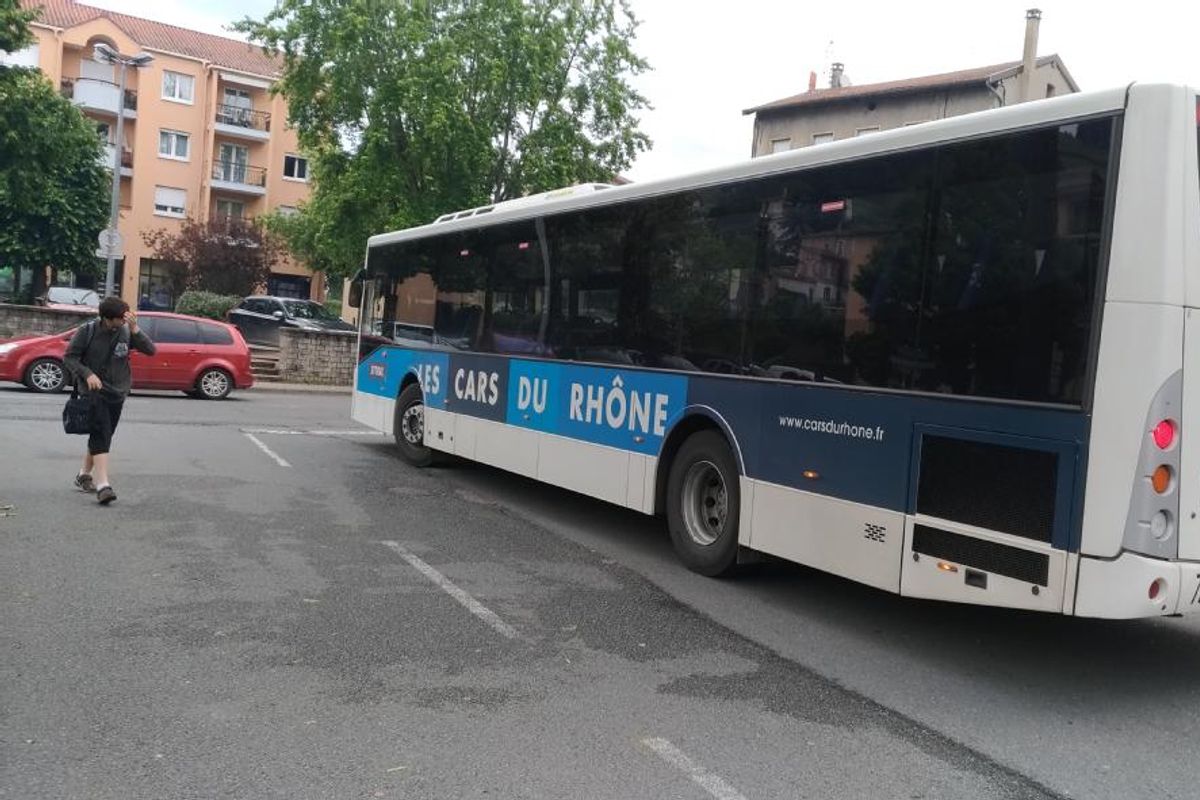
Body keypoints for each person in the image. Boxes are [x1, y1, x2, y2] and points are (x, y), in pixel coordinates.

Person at [63, 297, 156, 505]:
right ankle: (103, 485)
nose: (123, 322)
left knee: (103, 434)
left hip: (118, 391)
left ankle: (83, 475)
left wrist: (135, 330)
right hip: (94, 392)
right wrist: (87, 374)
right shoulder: (86, 332)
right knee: (101, 433)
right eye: (119, 319)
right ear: (106, 318)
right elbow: (69, 357)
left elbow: (151, 350)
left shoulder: (126, 330)